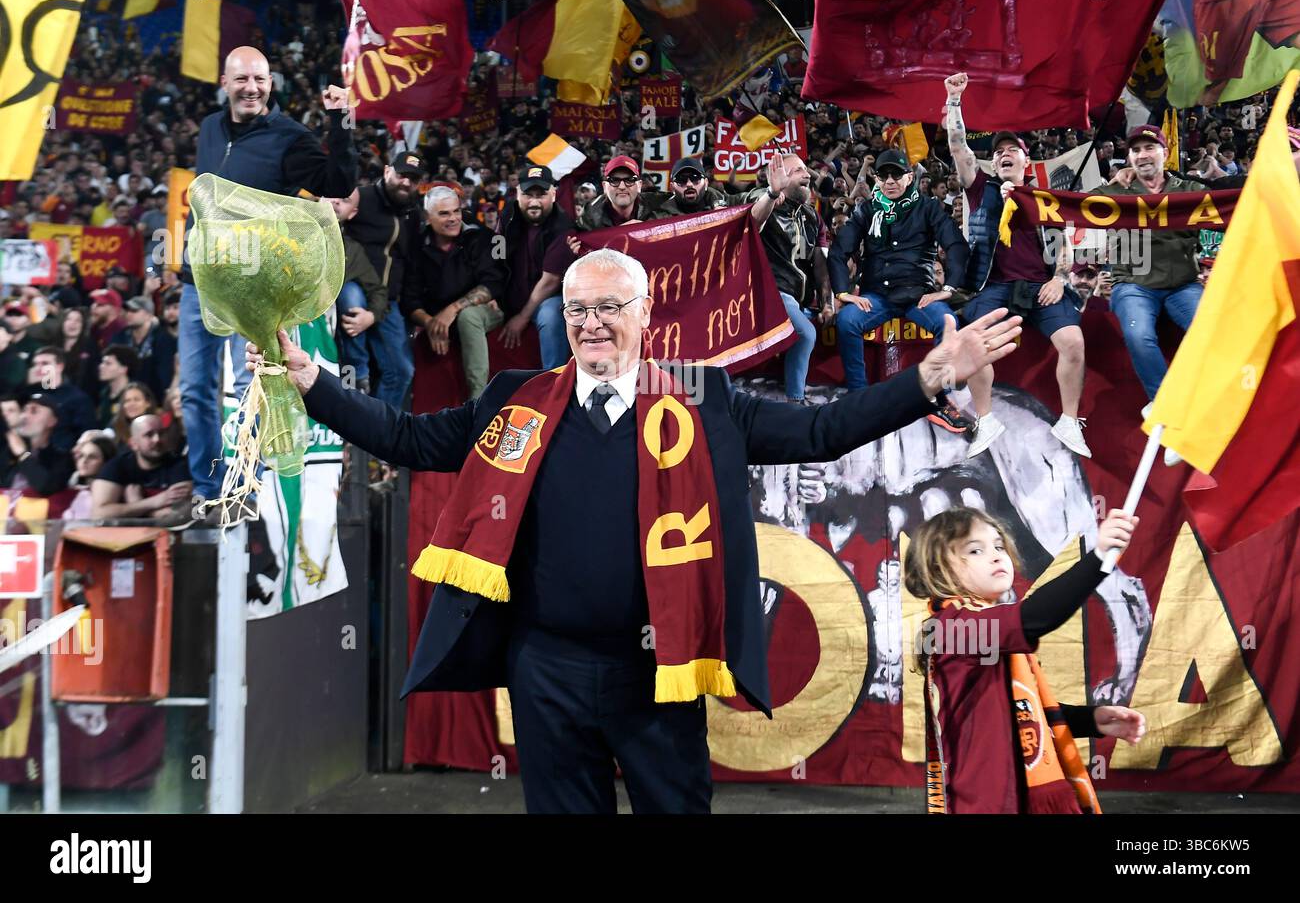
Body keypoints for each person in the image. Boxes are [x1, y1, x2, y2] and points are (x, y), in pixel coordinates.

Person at [248, 247, 1024, 814]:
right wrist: (313, 381)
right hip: (543, 667)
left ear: (646, 315)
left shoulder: (706, 401)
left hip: (660, 670)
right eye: (578, 309)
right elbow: (410, 440)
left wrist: (926, 378)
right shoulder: (514, 398)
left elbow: (821, 436)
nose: (590, 324)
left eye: (609, 308)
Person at [179, 45, 357, 516]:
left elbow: (337, 181)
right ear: (225, 83)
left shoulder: (288, 136)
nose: (251, 88)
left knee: (248, 386)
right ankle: (206, 485)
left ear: (270, 84)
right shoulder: (210, 130)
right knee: (193, 389)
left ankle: (247, 486)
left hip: (254, 287)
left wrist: (341, 120)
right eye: (242, 80)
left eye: (259, 80)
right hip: (198, 282)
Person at [904, 506, 1145, 813]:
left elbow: (1017, 714)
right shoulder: (952, 629)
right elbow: (1037, 617)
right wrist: (1098, 559)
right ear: (939, 571)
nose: (995, 555)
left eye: (998, 546)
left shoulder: (986, 630)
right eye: (975, 550)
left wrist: (1090, 720)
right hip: (986, 802)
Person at [944, 72, 1092, 459]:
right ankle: (986, 421)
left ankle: (1070, 421)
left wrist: (1061, 278)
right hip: (992, 286)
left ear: (1026, 160)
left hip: (1040, 285)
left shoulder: (1045, 197)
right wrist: (955, 101)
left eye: (1011, 150)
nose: (1003, 154)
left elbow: (1064, 244)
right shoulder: (980, 188)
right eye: (997, 153)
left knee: (1073, 342)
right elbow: (959, 147)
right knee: (975, 341)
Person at [829, 148, 973, 431]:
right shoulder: (866, 209)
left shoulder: (929, 207)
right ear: (876, 179)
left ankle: (940, 400)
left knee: (948, 322)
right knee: (847, 320)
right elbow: (838, 250)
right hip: (876, 296)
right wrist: (842, 292)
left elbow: (955, 244)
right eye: (884, 175)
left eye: (897, 174)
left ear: (909, 177)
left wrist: (948, 287)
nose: (890, 180)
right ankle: (858, 398)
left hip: (918, 295)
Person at [1095, 126, 1211, 465]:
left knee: (1211, 335)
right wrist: (1022, 194)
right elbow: (1066, 207)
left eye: (1150, 147)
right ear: (1128, 158)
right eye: (1136, 150)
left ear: (1164, 152)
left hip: (1183, 285)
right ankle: (1170, 418)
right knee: (1138, 333)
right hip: (1133, 285)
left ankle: (1181, 414)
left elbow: (1227, 200)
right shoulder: (1115, 190)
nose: (1143, 155)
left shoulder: (1189, 189)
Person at [402, 186, 508, 399]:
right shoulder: (416, 245)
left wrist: (452, 310)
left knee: (467, 317)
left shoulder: (479, 236)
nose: (453, 218)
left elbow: (493, 283)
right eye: (444, 213)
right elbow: (409, 299)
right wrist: (431, 323)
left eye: (456, 211)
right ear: (428, 217)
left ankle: (478, 401)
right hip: (436, 315)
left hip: (481, 312)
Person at [343, 152, 422, 409]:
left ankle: (379, 430)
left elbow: (411, 263)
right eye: (401, 175)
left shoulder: (413, 212)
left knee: (402, 371)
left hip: (388, 302)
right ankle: (359, 378)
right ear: (387, 171)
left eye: (413, 179)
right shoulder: (361, 197)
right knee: (351, 295)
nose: (406, 183)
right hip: (353, 291)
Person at [747, 153, 828, 403]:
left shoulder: (811, 215)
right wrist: (771, 194)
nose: (807, 175)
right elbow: (752, 221)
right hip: (770, 292)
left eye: (806, 169)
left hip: (800, 299)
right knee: (806, 333)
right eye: (798, 171)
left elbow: (820, 263)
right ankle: (795, 402)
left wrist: (828, 302)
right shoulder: (764, 198)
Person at [495, 165, 575, 369]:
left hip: (546, 299)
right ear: (517, 194)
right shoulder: (507, 216)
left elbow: (550, 281)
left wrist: (522, 317)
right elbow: (495, 258)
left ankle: (553, 382)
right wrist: (492, 296)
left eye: (541, 195)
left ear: (554, 195)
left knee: (550, 315)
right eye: (528, 195)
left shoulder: (563, 225)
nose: (534, 202)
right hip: (508, 295)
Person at [328, 190, 389, 395]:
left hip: (335, 325)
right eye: (330, 194)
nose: (335, 200)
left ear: (352, 213)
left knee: (351, 293)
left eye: (344, 200)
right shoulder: (294, 227)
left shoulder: (352, 250)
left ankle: (356, 382)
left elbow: (378, 291)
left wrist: (370, 316)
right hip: (297, 315)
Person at [91, 413, 192, 523]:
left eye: (161, 433)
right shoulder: (116, 466)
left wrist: (137, 505)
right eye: (149, 435)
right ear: (133, 443)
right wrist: (153, 502)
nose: (157, 439)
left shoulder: (180, 465)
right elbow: (99, 514)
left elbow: (183, 515)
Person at [0, 393, 76, 496]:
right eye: (24, 410)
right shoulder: (7, 451)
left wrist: (23, 454)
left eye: (34, 411)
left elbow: (46, 487)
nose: (25, 416)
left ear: (52, 421)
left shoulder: (63, 459)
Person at [27, 346, 97, 451]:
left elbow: (86, 434)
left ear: (60, 366)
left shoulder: (78, 398)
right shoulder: (28, 394)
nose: (38, 368)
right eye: (35, 364)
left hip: (61, 456)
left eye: (45, 364)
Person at [648, 156, 746, 219]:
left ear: (706, 183)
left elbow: (752, 198)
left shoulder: (727, 204)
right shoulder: (658, 218)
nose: (689, 184)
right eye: (682, 179)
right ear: (672, 187)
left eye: (695, 178)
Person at [122, 295, 177, 402]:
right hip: (127, 398)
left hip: (155, 399)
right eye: (127, 311)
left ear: (148, 315)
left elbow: (166, 375)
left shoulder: (163, 339)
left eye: (134, 311)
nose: (128, 314)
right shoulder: (120, 336)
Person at [97, 345, 138, 427]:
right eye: (102, 362)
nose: (101, 366)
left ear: (124, 369)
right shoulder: (104, 393)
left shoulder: (134, 393)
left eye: (108, 363)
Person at [109, 381, 159, 447]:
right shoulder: (114, 426)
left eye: (136, 399)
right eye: (127, 401)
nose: (131, 404)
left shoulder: (158, 426)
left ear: (148, 403)